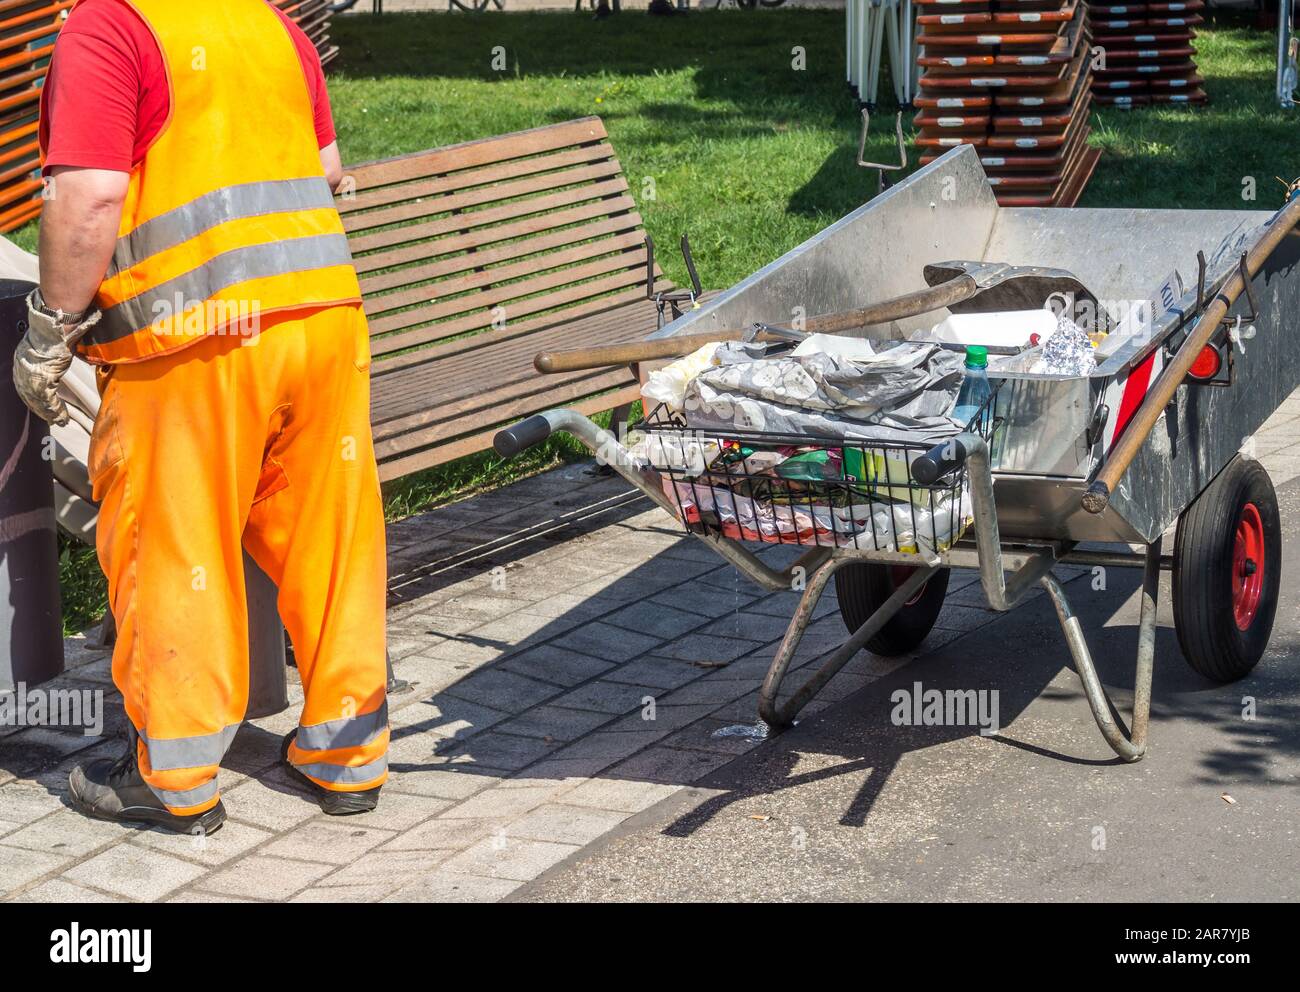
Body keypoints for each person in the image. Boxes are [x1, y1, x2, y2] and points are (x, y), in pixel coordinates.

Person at [13, 0, 389, 834]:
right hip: (322, 318)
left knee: (174, 540)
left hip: (194, 336)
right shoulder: (268, 24)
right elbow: (326, 170)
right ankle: (347, 752)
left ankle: (174, 778)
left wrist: (50, 329)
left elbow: (89, 197)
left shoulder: (107, 28)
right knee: (333, 537)